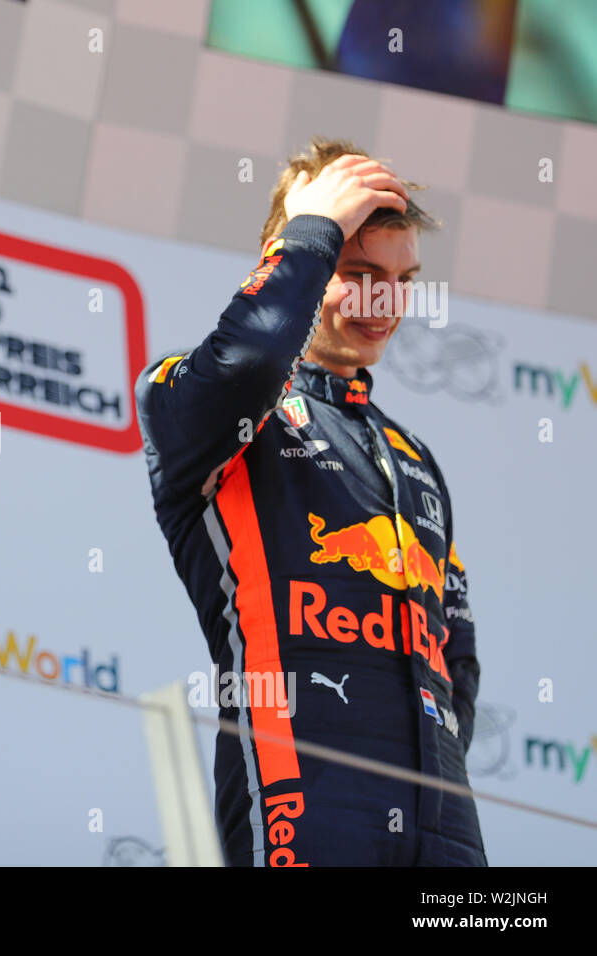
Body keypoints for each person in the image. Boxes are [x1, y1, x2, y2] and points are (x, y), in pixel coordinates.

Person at [135, 138, 484, 866]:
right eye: (356, 272)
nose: (384, 301)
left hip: (447, 835)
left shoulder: (417, 458)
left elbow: (458, 671)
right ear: (291, 251)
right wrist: (309, 232)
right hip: (306, 804)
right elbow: (253, 360)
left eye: (402, 278)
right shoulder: (201, 407)